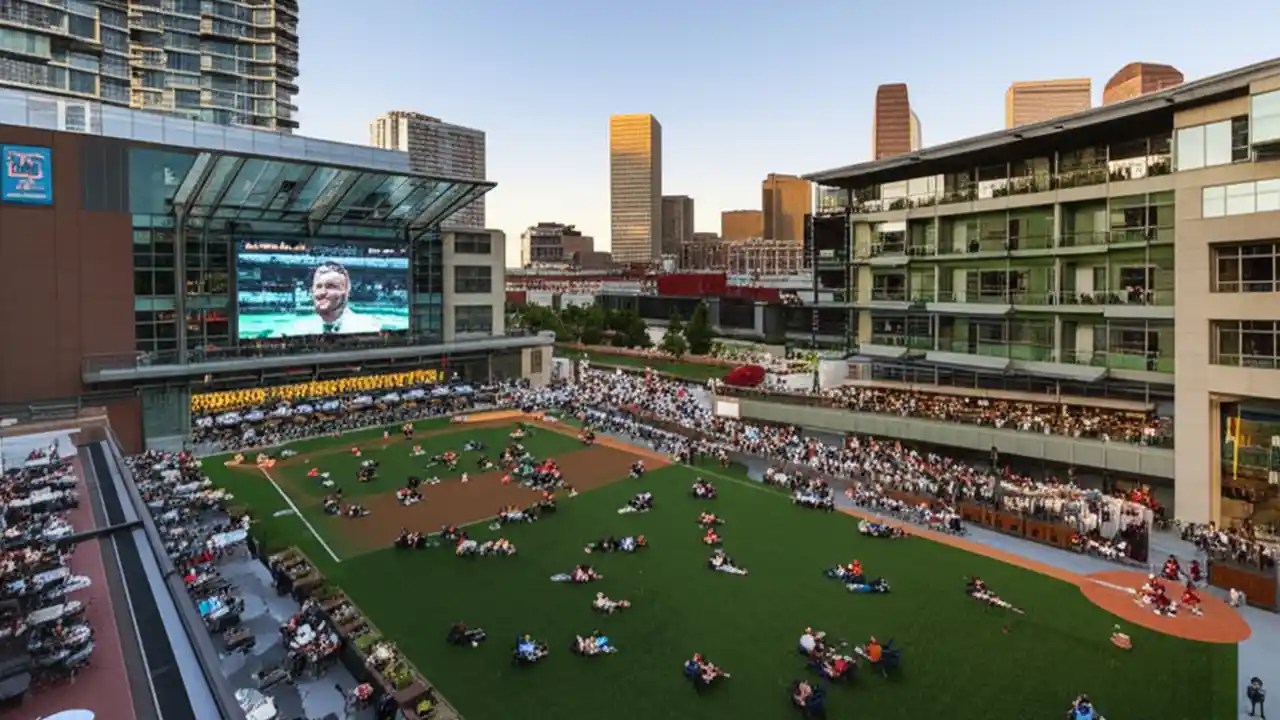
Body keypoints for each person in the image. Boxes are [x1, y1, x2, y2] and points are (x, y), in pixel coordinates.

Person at [285, 262, 386, 335]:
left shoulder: (368, 329)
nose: (322, 293)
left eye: (331, 286)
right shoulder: (298, 329)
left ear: (346, 290)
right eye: (318, 286)